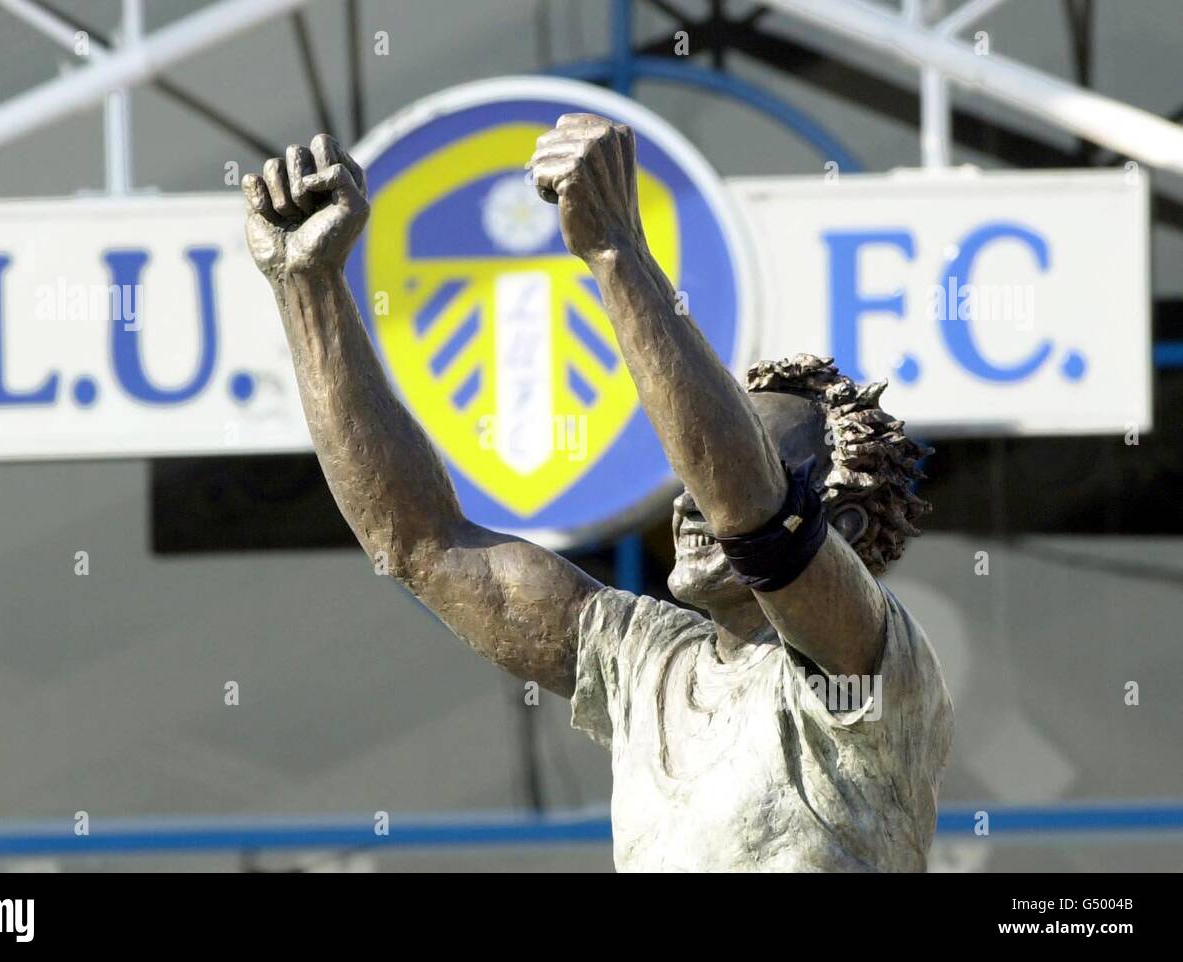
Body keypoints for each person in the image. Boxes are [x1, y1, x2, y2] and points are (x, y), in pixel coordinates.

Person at [241, 115, 953, 872]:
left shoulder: (871, 674)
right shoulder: (642, 664)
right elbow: (419, 543)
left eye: (727, 473)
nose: (686, 505)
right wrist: (308, 289)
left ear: (837, 516)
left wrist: (616, 251)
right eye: (686, 481)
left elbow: (760, 522)